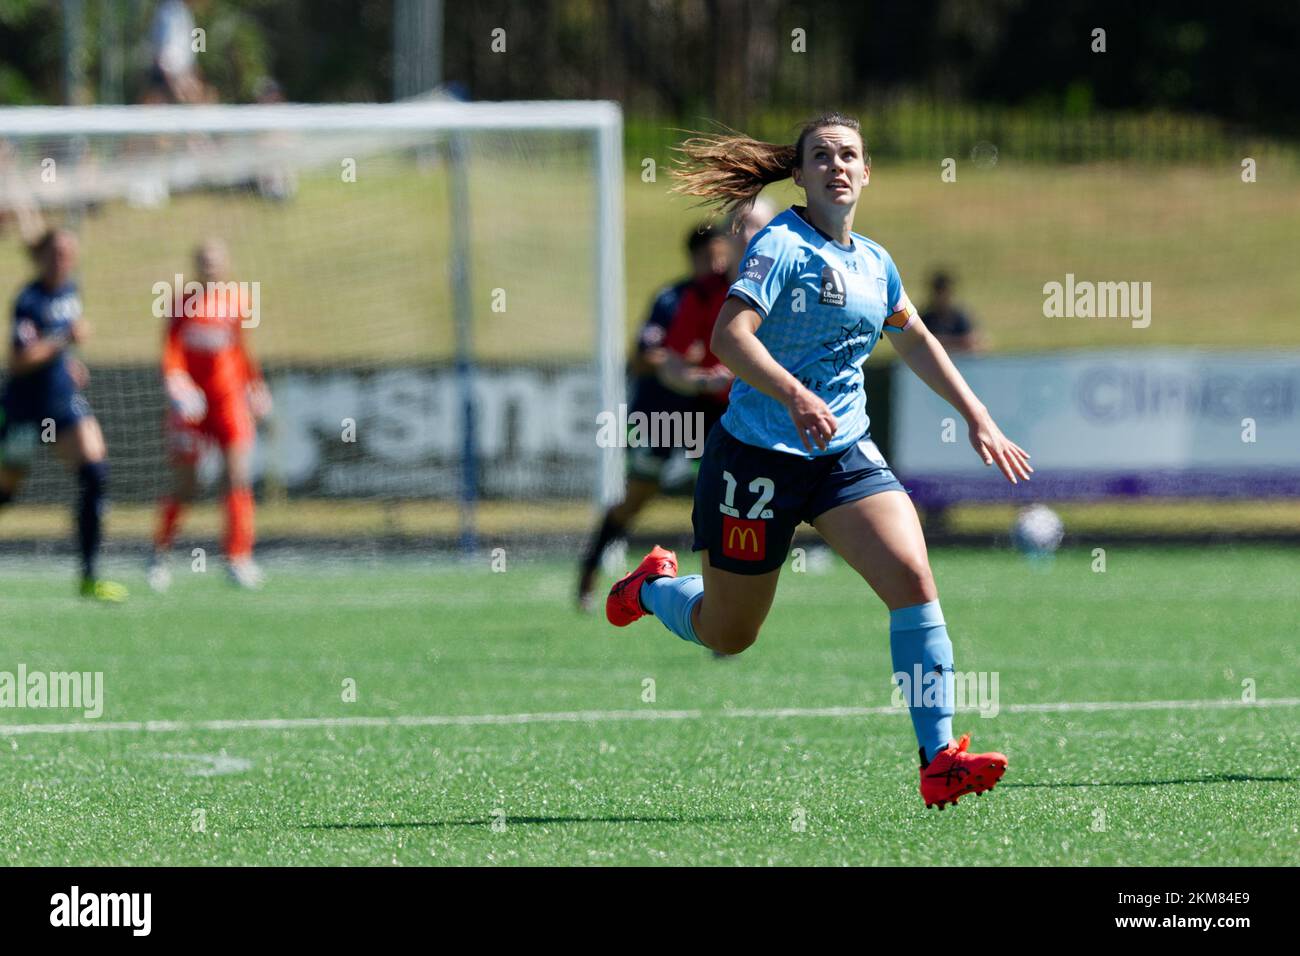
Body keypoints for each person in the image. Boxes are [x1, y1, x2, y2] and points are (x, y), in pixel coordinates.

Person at [605, 113, 1033, 810]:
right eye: (822, 155)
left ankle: (939, 757)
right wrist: (796, 393)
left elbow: (914, 334)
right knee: (730, 632)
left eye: (850, 155)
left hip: (841, 455)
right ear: (799, 174)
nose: (837, 165)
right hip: (757, 461)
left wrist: (976, 415)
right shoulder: (780, 245)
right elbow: (728, 336)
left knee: (913, 577)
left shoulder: (875, 261)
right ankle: (651, 589)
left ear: (867, 173)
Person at [577, 204, 773, 610]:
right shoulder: (675, 298)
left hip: (711, 414)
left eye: (719, 254)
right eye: (708, 256)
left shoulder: (741, 290)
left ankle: (720, 600)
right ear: (694, 257)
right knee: (637, 498)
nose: (716, 262)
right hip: (662, 413)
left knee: (721, 498)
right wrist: (681, 365)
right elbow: (645, 355)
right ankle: (589, 573)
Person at [0, 229, 127, 601]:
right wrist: (63, 342)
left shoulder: (70, 292)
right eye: (56, 253)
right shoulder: (29, 300)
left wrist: (67, 365)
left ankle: (89, 576)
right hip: (25, 409)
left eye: (68, 253)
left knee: (95, 473)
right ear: (42, 257)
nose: (62, 260)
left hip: (62, 403)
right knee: (6, 490)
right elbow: (19, 360)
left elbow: (55, 349)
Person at [148, 239, 271, 591]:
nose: (210, 268)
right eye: (204, 262)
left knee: (237, 476)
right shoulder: (180, 303)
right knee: (188, 485)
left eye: (216, 262)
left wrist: (256, 385)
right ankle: (161, 551)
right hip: (192, 405)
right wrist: (177, 383)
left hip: (228, 401)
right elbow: (170, 352)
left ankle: (238, 557)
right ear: (195, 266)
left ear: (226, 264)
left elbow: (243, 349)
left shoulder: (238, 301)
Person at [920, 270, 983, 353]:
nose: (942, 297)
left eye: (945, 292)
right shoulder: (925, 319)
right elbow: (918, 343)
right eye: (939, 293)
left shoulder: (959, 318)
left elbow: (973, 342)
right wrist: (956, 342)